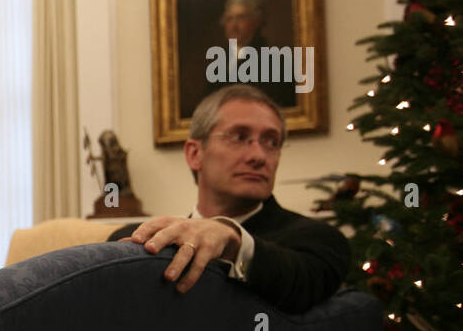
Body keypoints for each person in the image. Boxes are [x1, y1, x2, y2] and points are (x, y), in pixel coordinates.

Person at [108, 85, 348, 314]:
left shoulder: (319, 240)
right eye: (239, 137)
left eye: (272, 142)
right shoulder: (138, 239)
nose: (258, 155)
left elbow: (301, 285)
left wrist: (235, 241)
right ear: (195, 154)